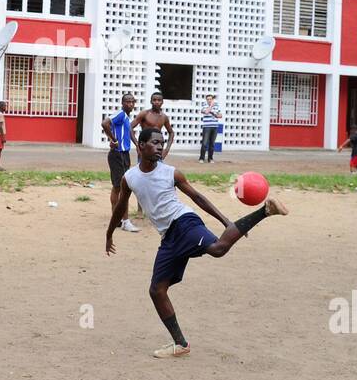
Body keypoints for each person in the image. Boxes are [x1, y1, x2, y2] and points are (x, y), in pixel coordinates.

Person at [107, 127, 288, 358]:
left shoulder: (172, 173)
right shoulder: (130, 178)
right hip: (168, 236)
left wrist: (224, 220)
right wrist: (109, 233)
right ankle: (180, 344)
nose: (161, 146)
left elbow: (197, 197)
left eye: (162, 142)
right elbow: (121, 206)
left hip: (184, 222)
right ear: (140, 146)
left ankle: (265, 210)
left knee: (218, 249)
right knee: (156, 290)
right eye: (155, 142)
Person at [102, 93, 140, 233]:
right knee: (122, 188)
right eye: (127, 102)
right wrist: (113, 140)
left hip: (124, 154)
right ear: (122, 103)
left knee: (119, 187)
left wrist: (137, 145)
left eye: (132, 102)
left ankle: (117, 218)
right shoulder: (120, 114)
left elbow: (129, 132)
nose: (130, 104)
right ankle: (125, 221)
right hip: (117, 155)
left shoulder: (126, 117)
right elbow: (105, 123)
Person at [132, 93, 173, 162]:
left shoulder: (164, 117)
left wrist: (166, 150)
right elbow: (130, 127)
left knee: (159, 170)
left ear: (162, 102)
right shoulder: (144, 114)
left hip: (157, 147)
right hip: (145, 147)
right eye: (154, 100)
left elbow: (171, 132)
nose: (156, 102)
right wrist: (137, 144)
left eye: (159, 100)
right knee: (143, 170)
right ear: (151, 101)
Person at [198, 94, 221, 163]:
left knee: (212, 144)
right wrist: (211, 106)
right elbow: (206, 112)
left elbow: (220, 115)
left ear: (212, 99)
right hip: (207, 126)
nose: (209, 100)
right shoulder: (204, 105)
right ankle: (201, 158)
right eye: (208, 99)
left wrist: (215, 114)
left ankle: (210, 158)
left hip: (215, 126)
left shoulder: (216, 105)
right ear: (206, 100)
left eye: (210, 99)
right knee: (204, 143)